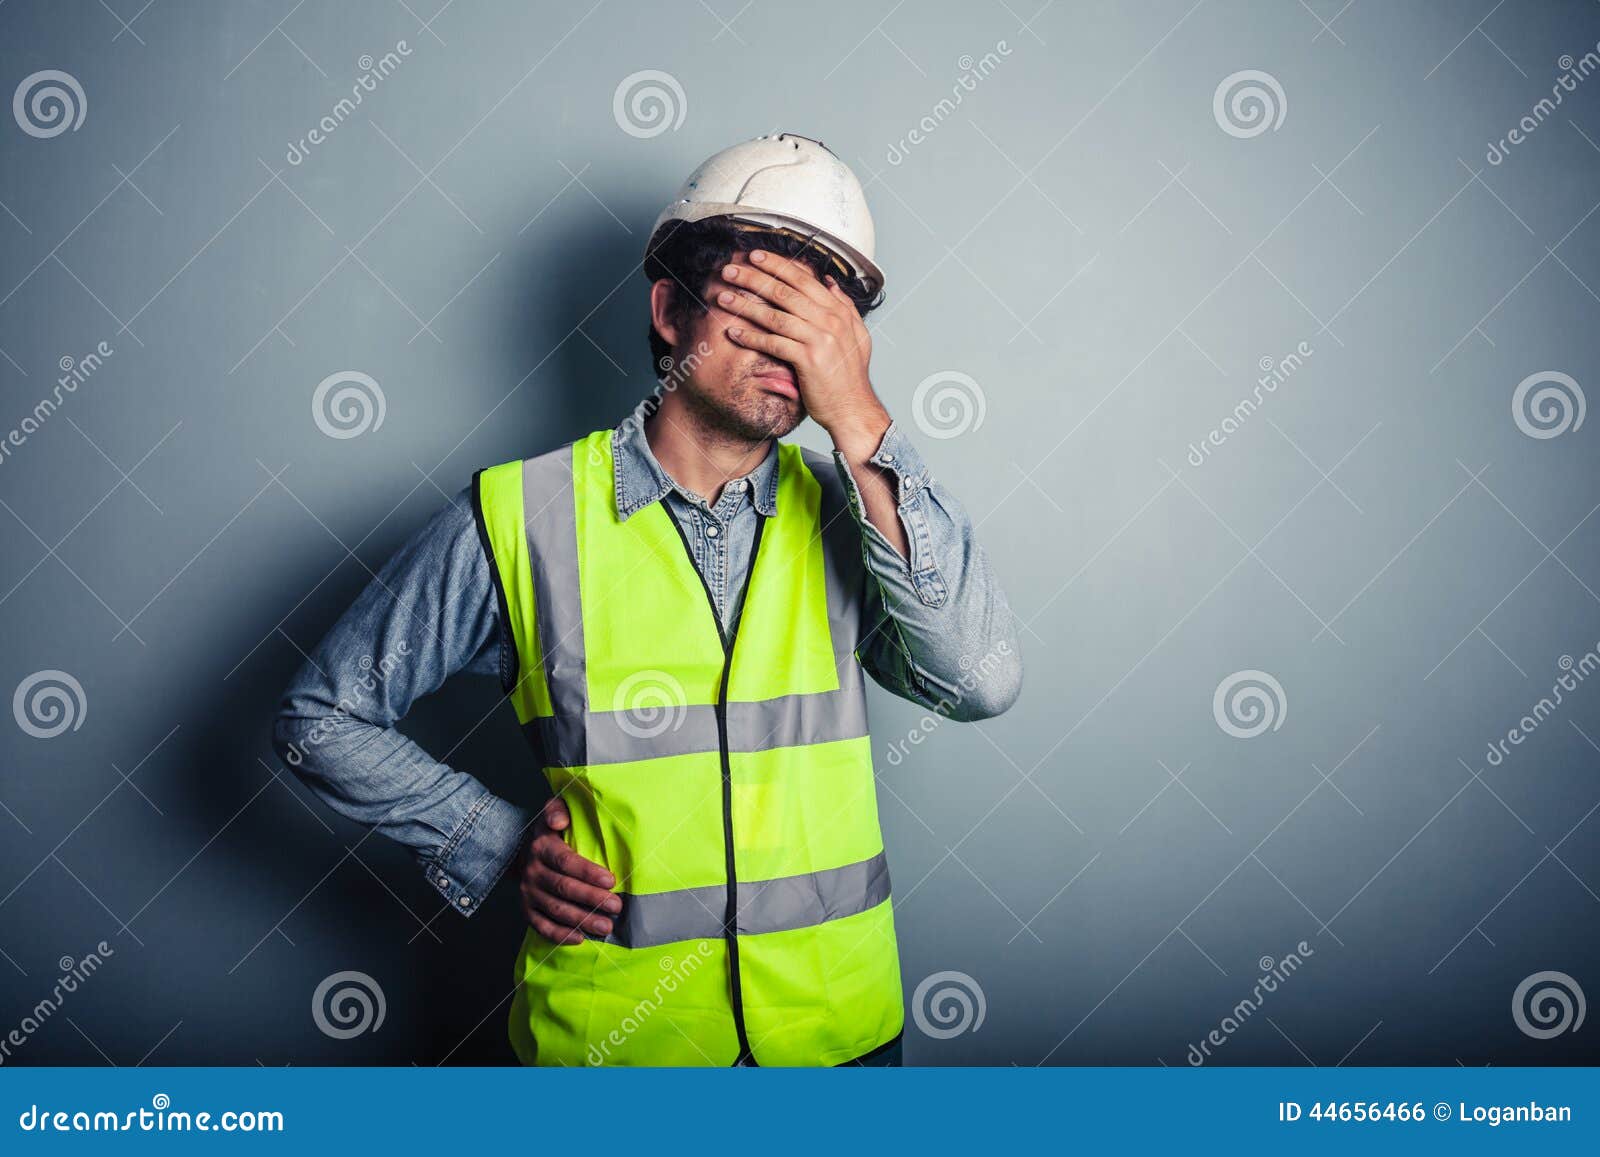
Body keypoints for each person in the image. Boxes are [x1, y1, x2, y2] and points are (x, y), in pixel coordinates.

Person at [275, 133, 1022, 1067]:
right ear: (672, 310)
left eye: (821, 328)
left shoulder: (856, 513)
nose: (794, 350)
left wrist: (861, 416)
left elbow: (982, 679)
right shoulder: (521, 516)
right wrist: (493, 841)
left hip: (843, 1055)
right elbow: (322, 716)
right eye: (765, 307)